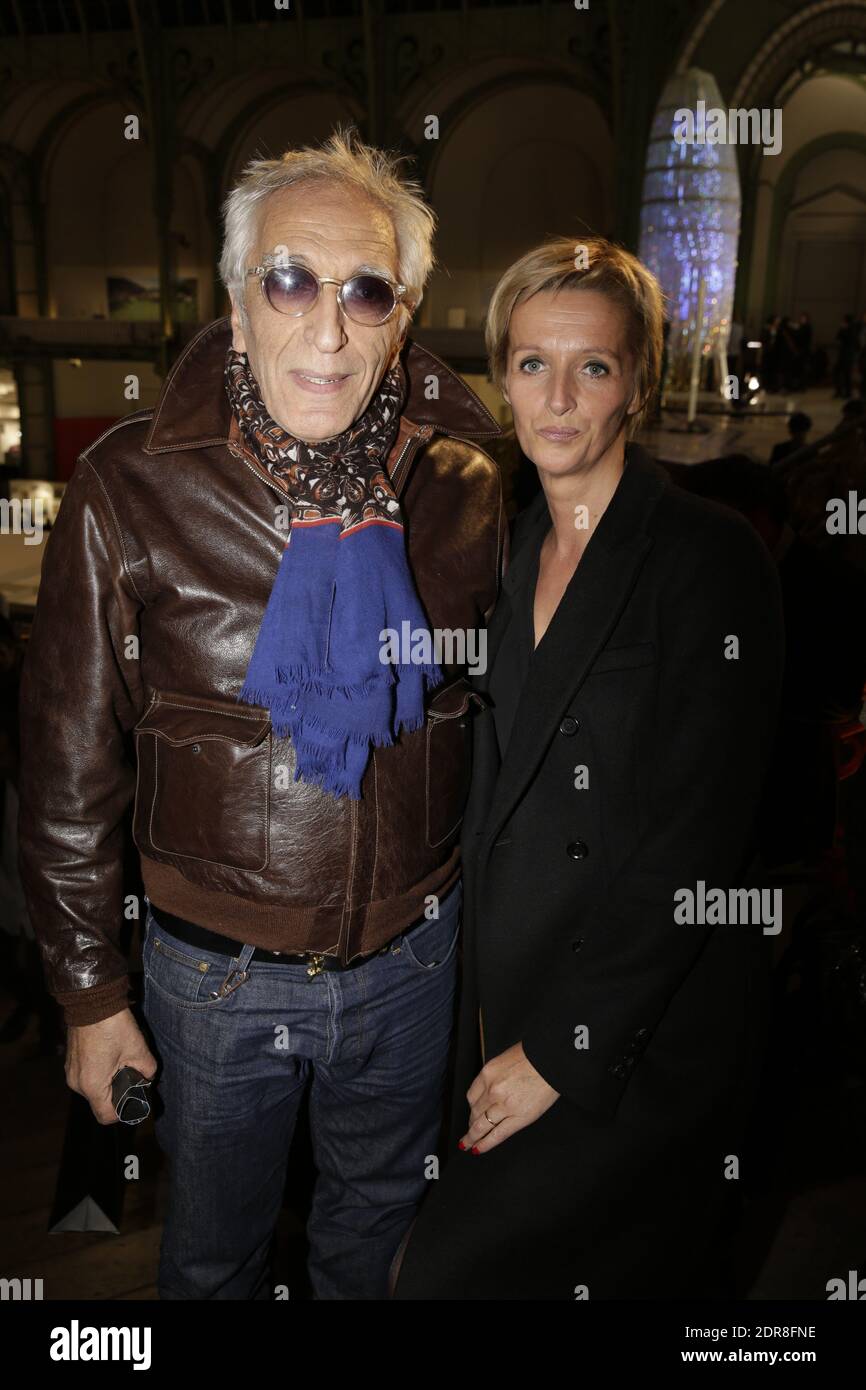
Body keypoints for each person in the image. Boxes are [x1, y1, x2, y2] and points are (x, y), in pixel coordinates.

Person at [17, 128, 506, 1300]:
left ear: (402, 318)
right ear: (237, 306)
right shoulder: (131, 484)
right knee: (212, 1259)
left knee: (377, 1246)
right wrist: (90, 993)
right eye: (288, 280)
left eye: (364, 291)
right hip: (216, 981)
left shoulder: (465, 483)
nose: (326, 328)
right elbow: (69, 762)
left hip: (413, 958)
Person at [392, 235, 785, 1300]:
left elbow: (698, 836)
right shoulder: (500, 549)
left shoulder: (704, 556)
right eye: (530, 363)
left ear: (637, 384)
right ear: (501, 378)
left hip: (631, 1034)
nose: (556, 397)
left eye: (592, 366)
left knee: (452, 1277)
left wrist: (565, 1050)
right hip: (496, 1012)